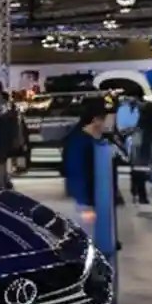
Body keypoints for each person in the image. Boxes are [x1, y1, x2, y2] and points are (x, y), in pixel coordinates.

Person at [61, 97, 108, 233]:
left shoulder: (87, 140)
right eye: (103, 120)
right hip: (84, 202)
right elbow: (77, 173)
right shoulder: (79, 142)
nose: (104, 125)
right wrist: (85, 204)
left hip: (90, 199)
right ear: (95, 120)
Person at [0, 92, 24, 190]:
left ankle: (3, 181)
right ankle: (4, 180)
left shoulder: (4, 112)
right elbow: (16, 128)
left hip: (3, 139)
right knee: (4, 160)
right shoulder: (11, 112)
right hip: (7, 139)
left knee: (2, 161)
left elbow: (15, 127)